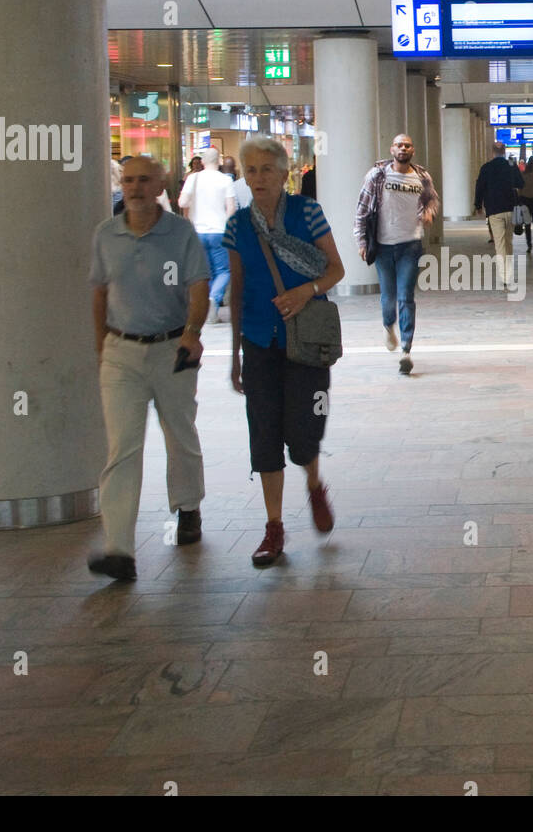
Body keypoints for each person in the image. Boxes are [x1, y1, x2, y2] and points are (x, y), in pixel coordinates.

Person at [87, 155, 210, 581]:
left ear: (160, 185)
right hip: (122, 351)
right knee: (122, 447)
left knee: (179, 435)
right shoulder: (106, 234)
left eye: (144, 180)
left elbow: (198, 286)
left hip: (172, 348)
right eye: (129, 180)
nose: (135, 188)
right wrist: (101, 347)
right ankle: (118, 546)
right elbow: (99, 294)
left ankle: (188, 507)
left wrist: (192, 332)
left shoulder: (181, 234)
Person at [227, 135, 346, 566]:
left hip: (307, 342)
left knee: (304, 430)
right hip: (259, 341)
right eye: (251, 170)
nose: (258, 177)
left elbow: (337, 268)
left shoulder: (306, 212)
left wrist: (305, 291)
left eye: (266, 169)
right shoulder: (237, 226)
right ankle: (273, 528)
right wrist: (235, 353)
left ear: (284, 174)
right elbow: (237, 289)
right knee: (264, 436)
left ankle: (314, 483)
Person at [355, 134, 440, 375]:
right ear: (392, 149)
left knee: (406, 296)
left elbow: (432, 200)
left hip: (410, 245)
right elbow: (361, 209)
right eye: (399, 145)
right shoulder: (378, 176)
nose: (403, 148)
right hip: (382, 245)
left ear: (413, 150)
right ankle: (387, 325)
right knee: (388, 296)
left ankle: (406, 350)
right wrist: (361, 241)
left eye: (408, 145)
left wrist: (429, 213)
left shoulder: (421, 176)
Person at [178, 147, 236, 325]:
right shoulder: (225, 180)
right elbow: (231, 208)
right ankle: (213, 299)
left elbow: (182, 202)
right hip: (219, 231)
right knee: (224, 270)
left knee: (206, 271)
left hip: (198, 231)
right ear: (218, 161)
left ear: (202, 162)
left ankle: (207, 306)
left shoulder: (193, 179)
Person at [473, 140, 524, 290]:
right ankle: (508, 273)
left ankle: (506, 277)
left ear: (492, 152)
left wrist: (478, 205)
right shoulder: (511, 165)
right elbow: (521, 183)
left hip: (494, 209)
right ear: (504, 151)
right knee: (508, 242)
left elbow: (479, 187)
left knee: (500, 243)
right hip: (510, 208)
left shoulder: (486, 167)